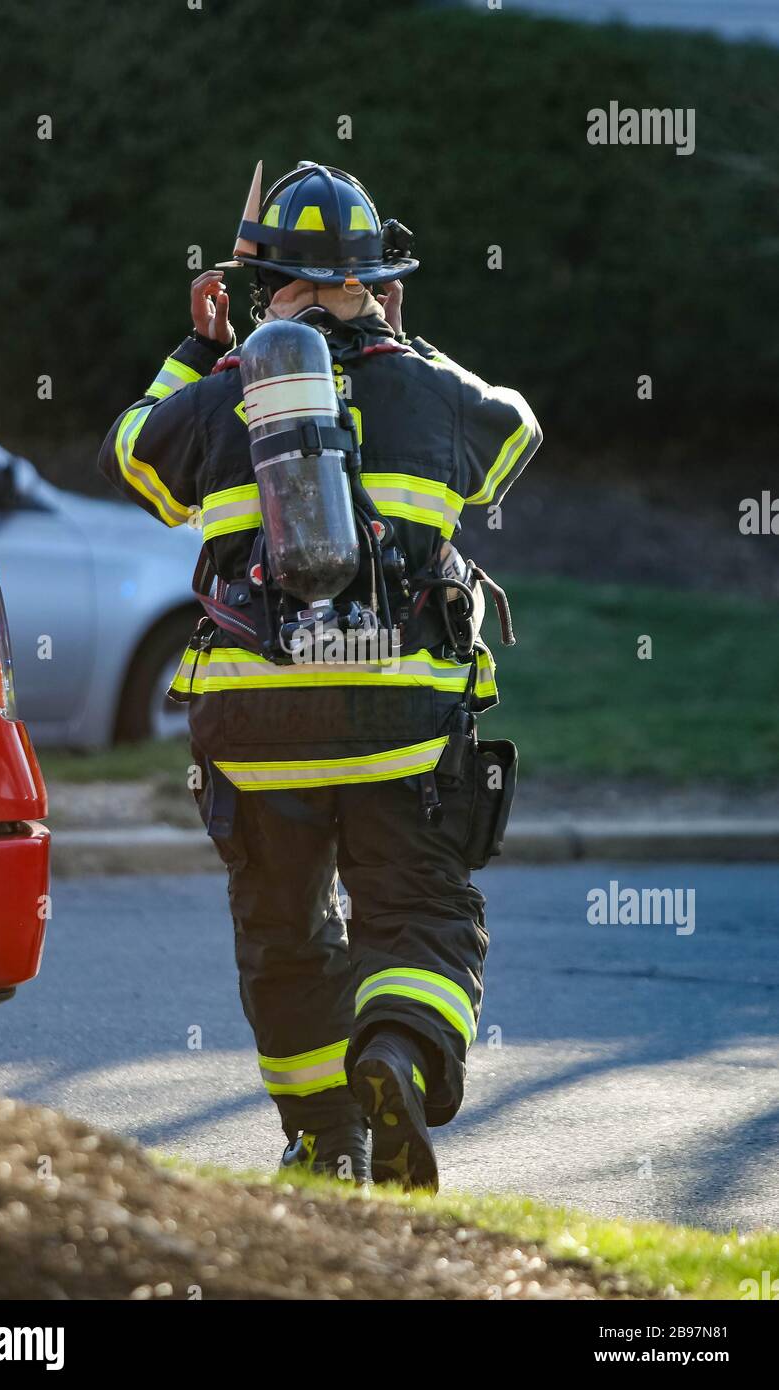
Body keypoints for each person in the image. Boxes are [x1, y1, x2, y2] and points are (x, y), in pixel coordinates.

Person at [99, 161, 542, 1191]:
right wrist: (399, 338)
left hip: (253, 731)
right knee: (419, 909)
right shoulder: (430, 390)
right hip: (397, 718)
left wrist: (195, 354)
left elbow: (130, 456)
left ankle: (324, 1137)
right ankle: (393, 1052)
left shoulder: (216, 400)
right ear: (376, 279)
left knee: (282, 930)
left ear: (262, 291)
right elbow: (511, 436)